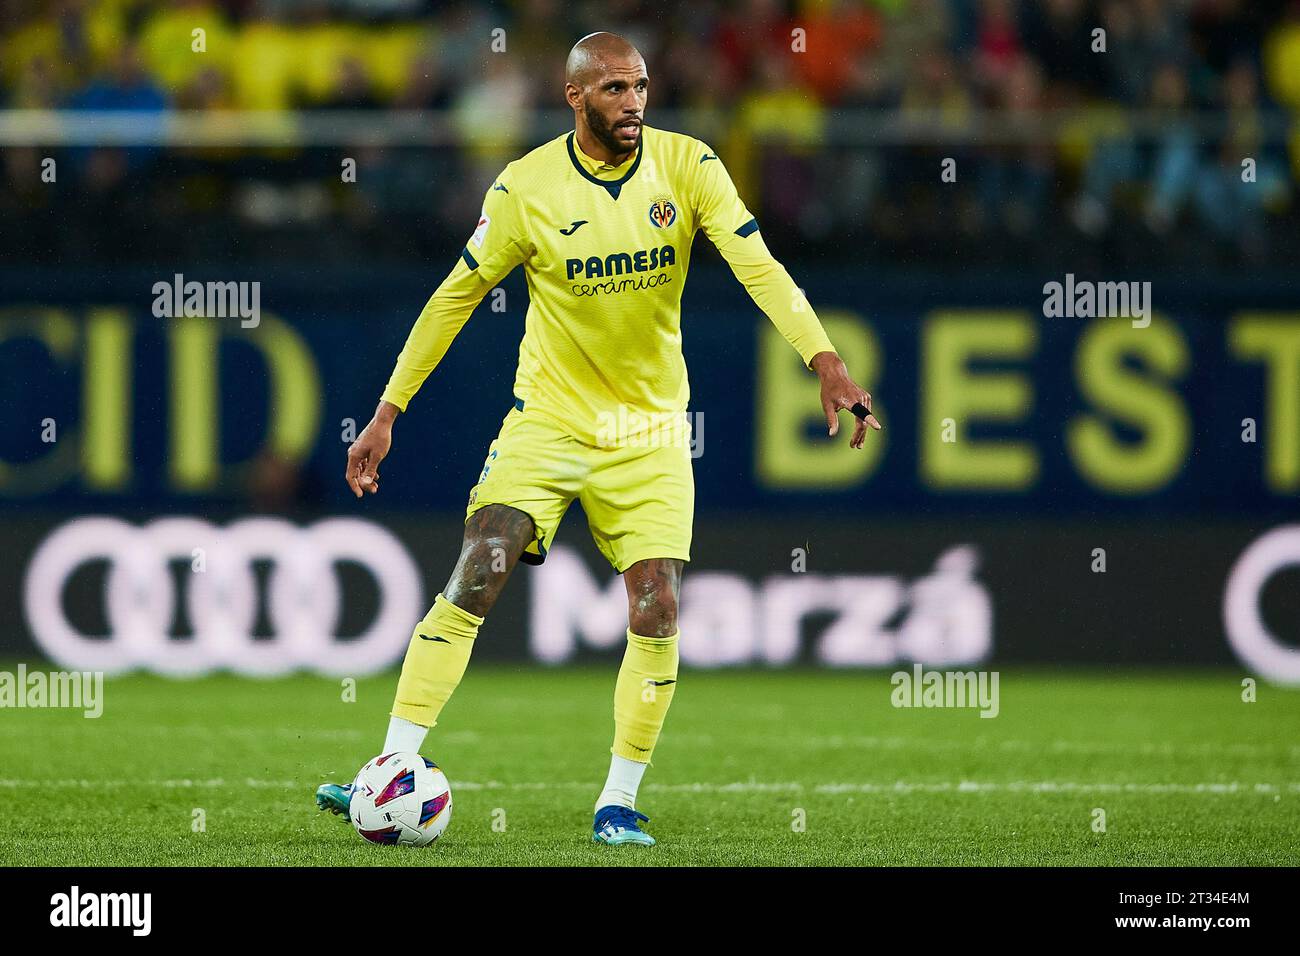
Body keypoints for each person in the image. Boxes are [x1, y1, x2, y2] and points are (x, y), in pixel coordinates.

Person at [316, 31, 879, 847]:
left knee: (656, 608)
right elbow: (454, 298)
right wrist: (387, 411)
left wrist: (823, 360)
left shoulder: (689, 167)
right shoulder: (526, 187)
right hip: (548, 418)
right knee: (481, 565)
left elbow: (761, 269)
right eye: (615, 89)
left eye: (642, 86)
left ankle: (617, 802)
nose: (634, 103)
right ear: (574, 96)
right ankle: (393, 765)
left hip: (649, 430)